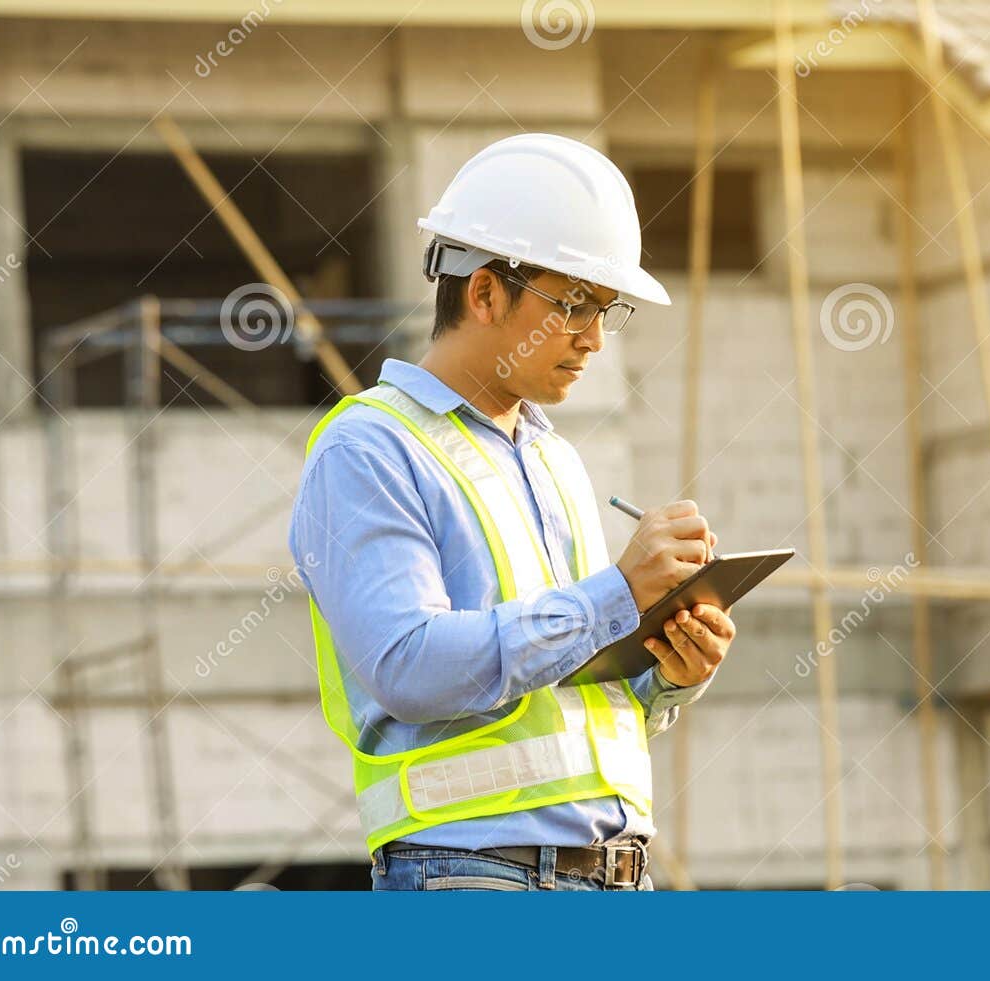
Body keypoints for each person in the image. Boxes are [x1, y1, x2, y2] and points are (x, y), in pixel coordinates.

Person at [288, 133, 733, 891]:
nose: (594, 337)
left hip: (616, 876)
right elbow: (407, 664)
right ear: (485, 291)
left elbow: (566, 683)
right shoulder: (370, 447)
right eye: (574, 305)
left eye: (606, 309)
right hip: (474, 877)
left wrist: (665, 674)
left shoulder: (553, 459)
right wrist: (616, 595)